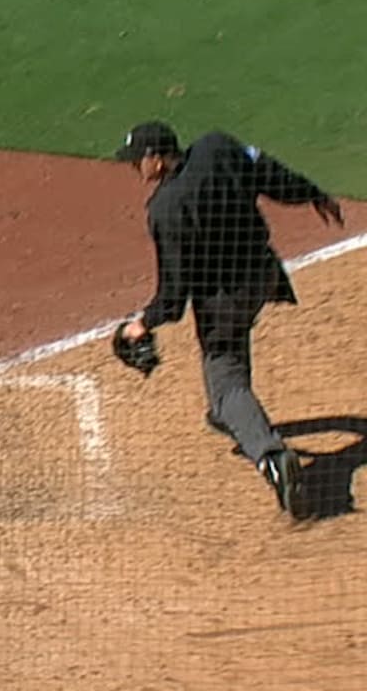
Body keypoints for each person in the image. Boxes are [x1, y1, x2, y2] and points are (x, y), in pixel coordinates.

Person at [112, 121, 344, 520]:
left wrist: (143, 323)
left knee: (224, 377)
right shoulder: (217, 146)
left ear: (156, 157)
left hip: (225, 298)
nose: (135, 167)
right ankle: (230, 414)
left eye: (138, 159)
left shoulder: (165, 208)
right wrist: (313, 194)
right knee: (232, 353)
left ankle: (272, 458)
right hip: (263, 273)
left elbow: (174, 293)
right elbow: (270, 173)